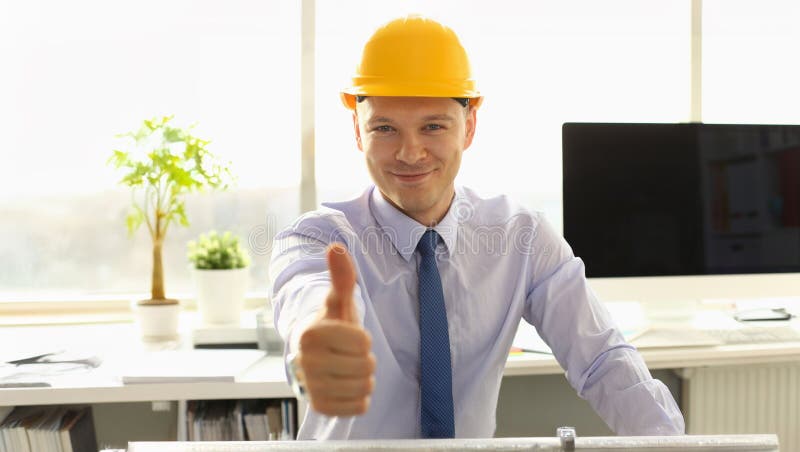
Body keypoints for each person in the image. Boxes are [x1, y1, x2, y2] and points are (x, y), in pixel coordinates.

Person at [269, 14, 685, 440]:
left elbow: (602, 359)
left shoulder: (522, 237)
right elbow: (308, 298)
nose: (411, 153)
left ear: (469, 126)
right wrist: (316, 348)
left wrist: (675, 447)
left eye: (433, 126)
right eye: (385, 128)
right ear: (358, 131)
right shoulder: (317, 238)